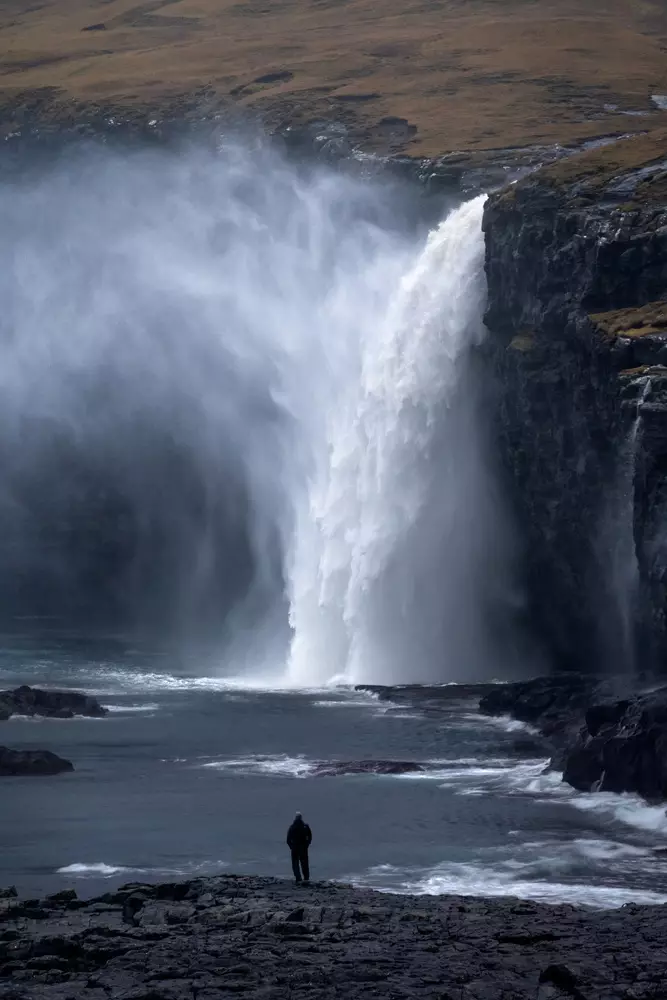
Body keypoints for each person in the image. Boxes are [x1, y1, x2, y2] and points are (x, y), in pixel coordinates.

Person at [286, 811, 312, 883]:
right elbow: (310, 837)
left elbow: (288, 840)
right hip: (303, 848)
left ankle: (298, 878)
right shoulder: (305, 826)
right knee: (304, 864)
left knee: (295, 864)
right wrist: (307, 844)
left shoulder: (292, 827)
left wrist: (292, 847)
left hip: (295, 848)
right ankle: (306, 878)